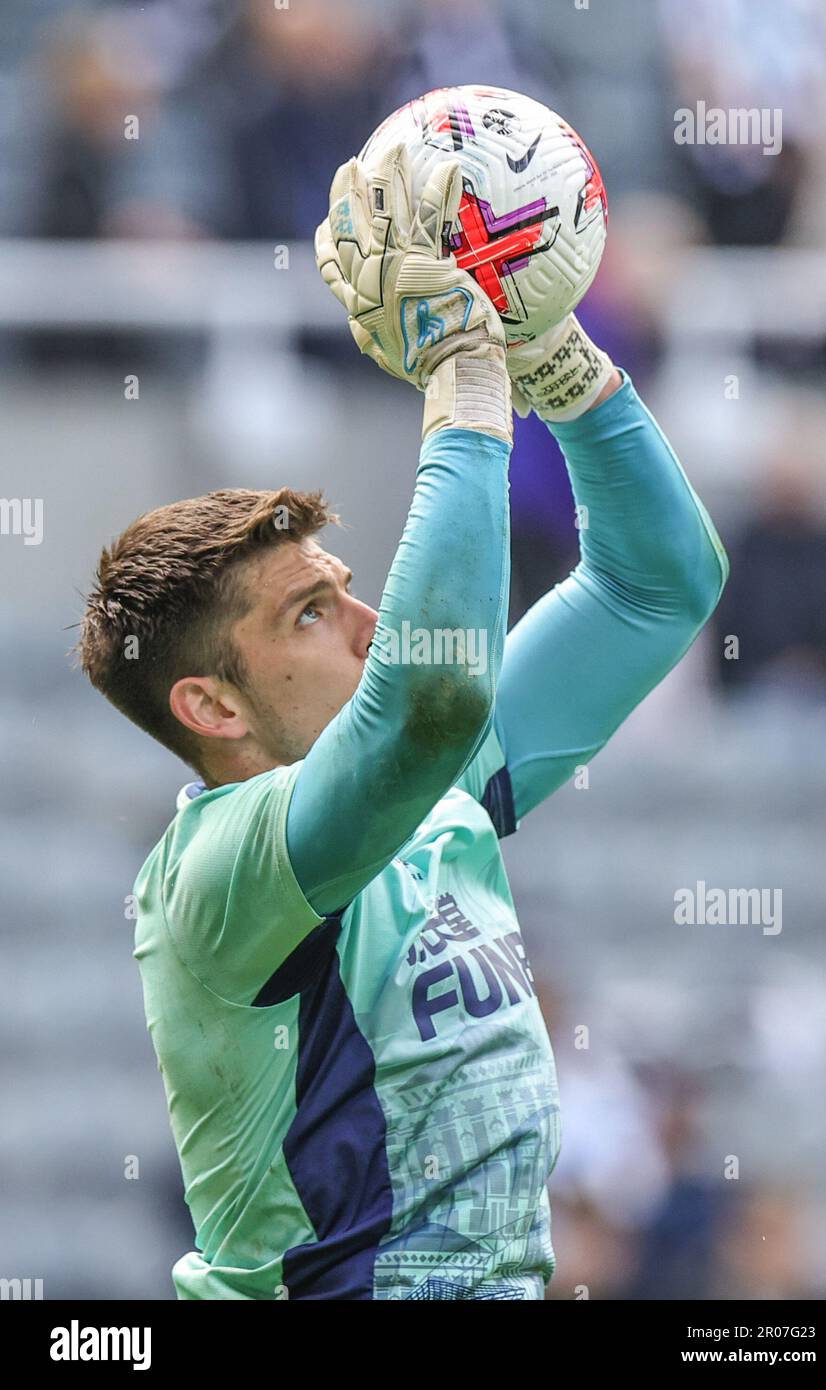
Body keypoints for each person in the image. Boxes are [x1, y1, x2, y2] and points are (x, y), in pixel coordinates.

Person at [77, 144, 728, 1300]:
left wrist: (549, 353)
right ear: (210, 703)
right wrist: (464, 387)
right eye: (313, 612)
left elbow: (657, 585)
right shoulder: (212, 871)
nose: (371, 618)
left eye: (348, 582)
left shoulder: (433, 786)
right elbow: (428, 698)